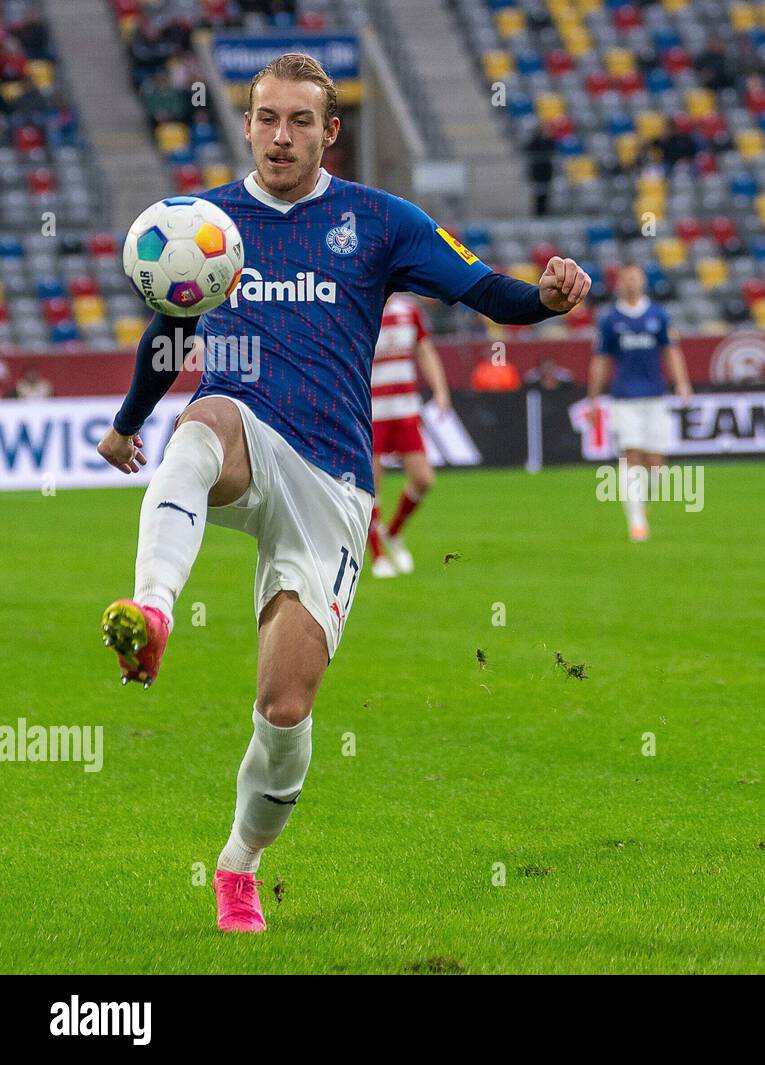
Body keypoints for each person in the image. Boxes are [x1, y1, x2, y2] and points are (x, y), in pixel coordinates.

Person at [95, 53, 590, 935]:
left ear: (331, 131)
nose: (281, 135)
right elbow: (168, 337)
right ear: (247, 124)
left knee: (285, 708)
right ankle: (154, 610)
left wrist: (545, 299)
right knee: (201, 425)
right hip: (247, 432)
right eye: (266, 118)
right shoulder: (204, 227)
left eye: (300, 121)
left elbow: (486, 291)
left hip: (333, 480)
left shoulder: (379, 222)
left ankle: (239, 865)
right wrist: (130, 420)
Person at [586, 264, 691, 541]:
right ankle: (636, 522)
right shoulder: (610, 320)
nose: (631, 282)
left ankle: (641, 507)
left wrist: (681, 383)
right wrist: (593, 398)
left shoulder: (659, 315)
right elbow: (600, 360)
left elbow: (671, 351)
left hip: (655, 395)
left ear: (642, 281)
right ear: (619, 282)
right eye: (626, 277)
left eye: (635, 277)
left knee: (655, 462)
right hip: (624, 397)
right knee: (631, 454)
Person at [368, 292, 449, 578]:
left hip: (405, 409)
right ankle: (378, 557)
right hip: (372, 411)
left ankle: (392, 532)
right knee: (371, 488)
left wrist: (440, 390)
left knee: (423, 479)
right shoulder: (363, 305)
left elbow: (424, 350)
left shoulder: (408, 310)